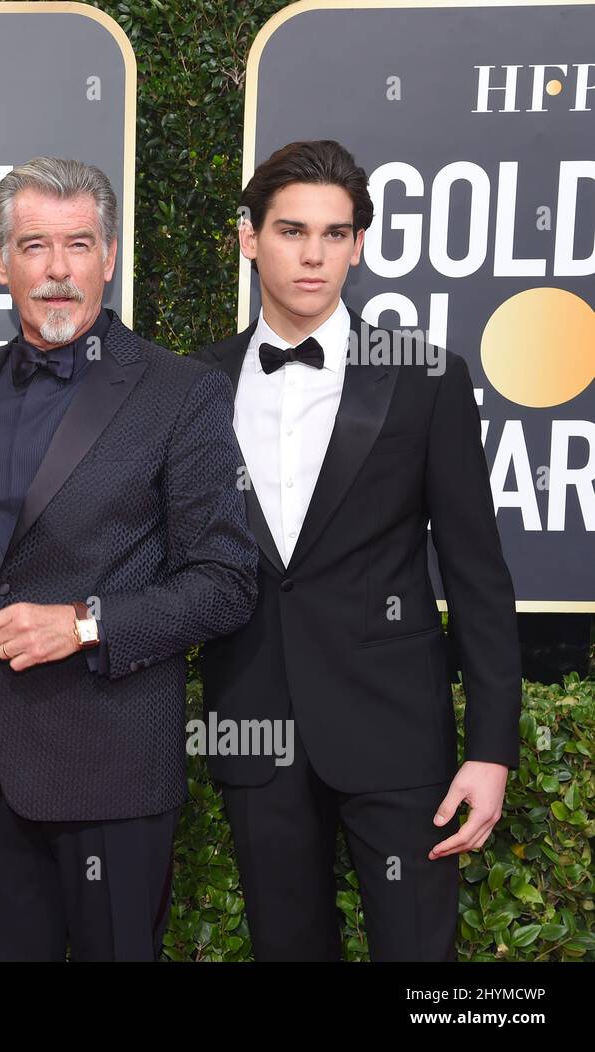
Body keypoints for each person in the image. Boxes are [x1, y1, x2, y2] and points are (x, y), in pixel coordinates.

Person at [196, 139, 521, 961]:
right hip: (255, 723)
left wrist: (490, 749)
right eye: (292, 231)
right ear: (248, 238)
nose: (313, 255)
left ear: (359, 244)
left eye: (336, 234)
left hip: (394, 730)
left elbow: (479, 576)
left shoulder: (425, 378)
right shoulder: (195, 385)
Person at [0, 156, 259, 961]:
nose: (56, 270)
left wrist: (84, 623)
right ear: (1, 260)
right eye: (34, 245)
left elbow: (224, 582)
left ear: (110, 257)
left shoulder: (181, 393)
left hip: (111, 766)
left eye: (78, 244)